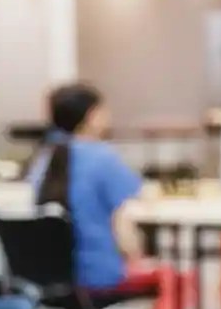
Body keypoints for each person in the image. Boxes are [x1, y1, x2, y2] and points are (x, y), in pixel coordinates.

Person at [29, 83, 146, 291]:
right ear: (92, 116)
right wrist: (138, 259)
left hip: (49, 278)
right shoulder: (103, 158)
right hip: (102, 276)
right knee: (179, 280)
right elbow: (124, 220)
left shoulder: (44, 159)